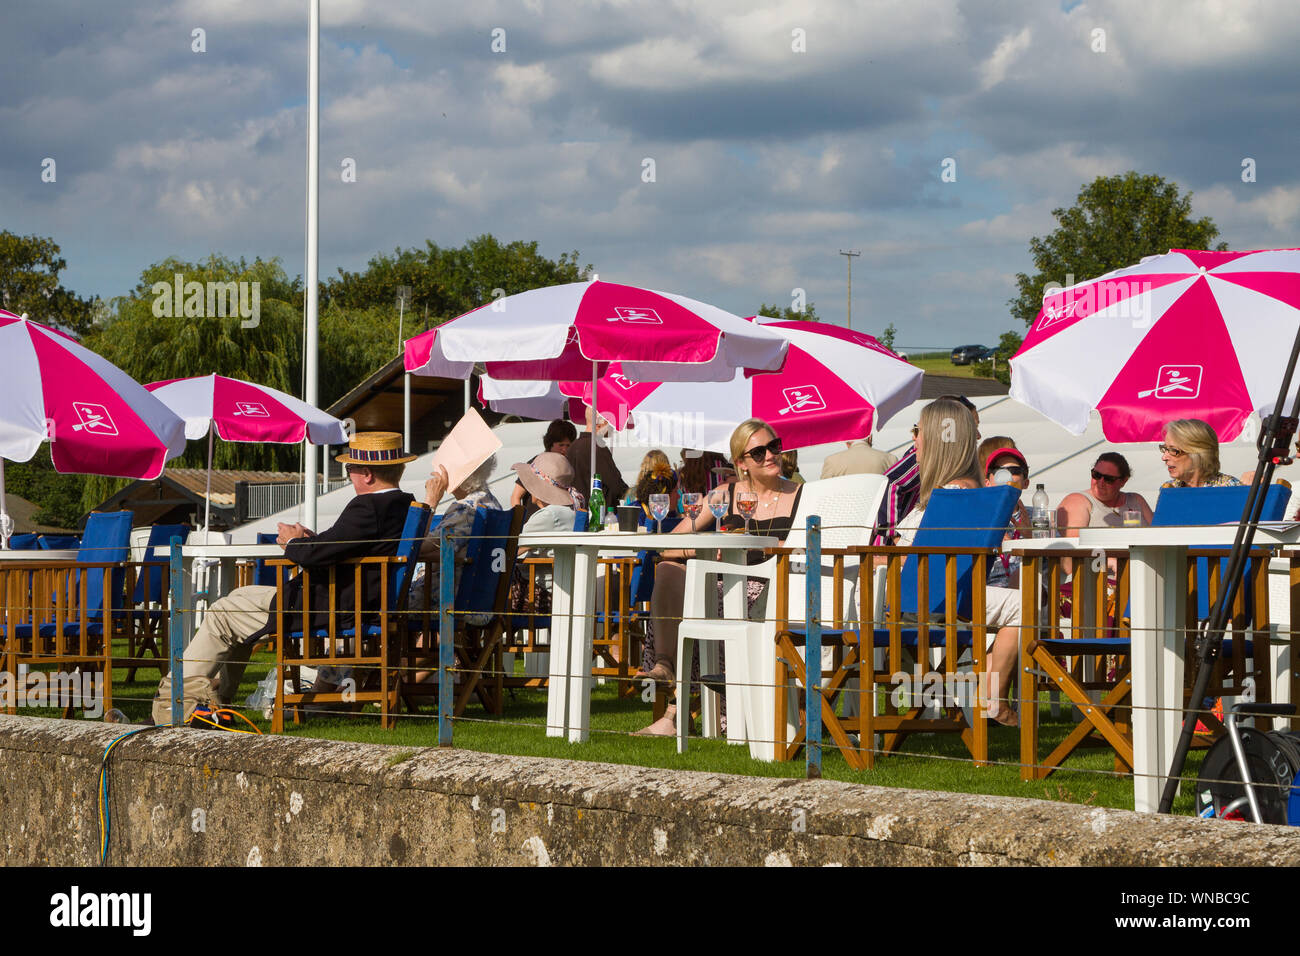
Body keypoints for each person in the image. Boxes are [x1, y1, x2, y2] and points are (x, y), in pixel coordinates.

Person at [151, 432, 417, 725]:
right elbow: (344, 546)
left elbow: (313, 556)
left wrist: (292, 542)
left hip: (327, 606)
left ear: (366, 474)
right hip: (353, 600)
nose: (348, 475)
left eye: (349, 469)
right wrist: (311, 540)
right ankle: (216, 702)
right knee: (236, 601)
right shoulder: (403, 504)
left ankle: (173, 705)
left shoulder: (368, 508)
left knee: (222, 614)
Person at [635, 418, 803, 735]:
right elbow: (673, 543)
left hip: (773, 586)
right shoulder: (726, 493)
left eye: (774, 447)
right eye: (758, 452)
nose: (770, 456)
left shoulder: (800, 495)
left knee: (714, 600)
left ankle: (676, 713)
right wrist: (706, 552)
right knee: (669, 570)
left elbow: (806, 549)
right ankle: (665, 667)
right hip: (722, 583)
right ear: (741, 462)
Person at [891, 398, 1022, 726]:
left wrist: (891, 551)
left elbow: (930, 559)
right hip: (931, 598)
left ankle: (990, 696)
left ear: (937, 439)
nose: (914, 440)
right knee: (1027, 602)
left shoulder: (951, 492)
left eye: (918, 432)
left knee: (1024, 602)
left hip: (921, 598)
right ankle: (994, 699)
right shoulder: (961, 491)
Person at [414, 454, 501, 617]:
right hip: (480, 598)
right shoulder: (493, 504)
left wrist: (431, 501)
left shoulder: (465, 510)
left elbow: (416, 547)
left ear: (458, 475)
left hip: (448, 598)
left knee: (387, 603)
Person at [1057, 452, 1154, 534]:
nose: (1100, 482)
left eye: (1108, 479)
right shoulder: (1077, 501)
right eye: (1096, 475)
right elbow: (1075, 546)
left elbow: (1159, 532)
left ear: (1123, 481)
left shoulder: (1135, 499)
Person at [982, 445, 1031, 588]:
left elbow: (1060, 564)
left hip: (1031, 592)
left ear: (1026, 482)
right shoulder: (976, 519)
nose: (1007, 476)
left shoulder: (1039, 518)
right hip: (987, 594)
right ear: (987, 483)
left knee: (1023, 574)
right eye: (999, 471)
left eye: (1014, 471)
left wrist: (1029, 538)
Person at [565, 406, 629, 502]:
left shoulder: (572, 447)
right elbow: (616, 486)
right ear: (601, 422)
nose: (613, 426)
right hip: (597, 513)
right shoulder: (597, 447)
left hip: (578, 510)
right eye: (610, 421)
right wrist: (633, 495)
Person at [511, 419, 577, 509]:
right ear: (550, 443)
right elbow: (516, 496)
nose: (565, 449)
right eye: (561, 445)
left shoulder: (567, 468)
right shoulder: (536, 464)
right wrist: (518, 520)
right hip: (532, 520)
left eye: (568, 445)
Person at [1160, 419, 1241, 488]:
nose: (1164, 457)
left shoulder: (1229, 488)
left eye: (1173, 450)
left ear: (1198, 453)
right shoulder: (1170, 488)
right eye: (1165, 449)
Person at [820, 433, 898, 478]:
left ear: (847, 442)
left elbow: (823, 490)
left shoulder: (832, 461)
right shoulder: (890, 459)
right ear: (870, 438)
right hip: (880, 505)